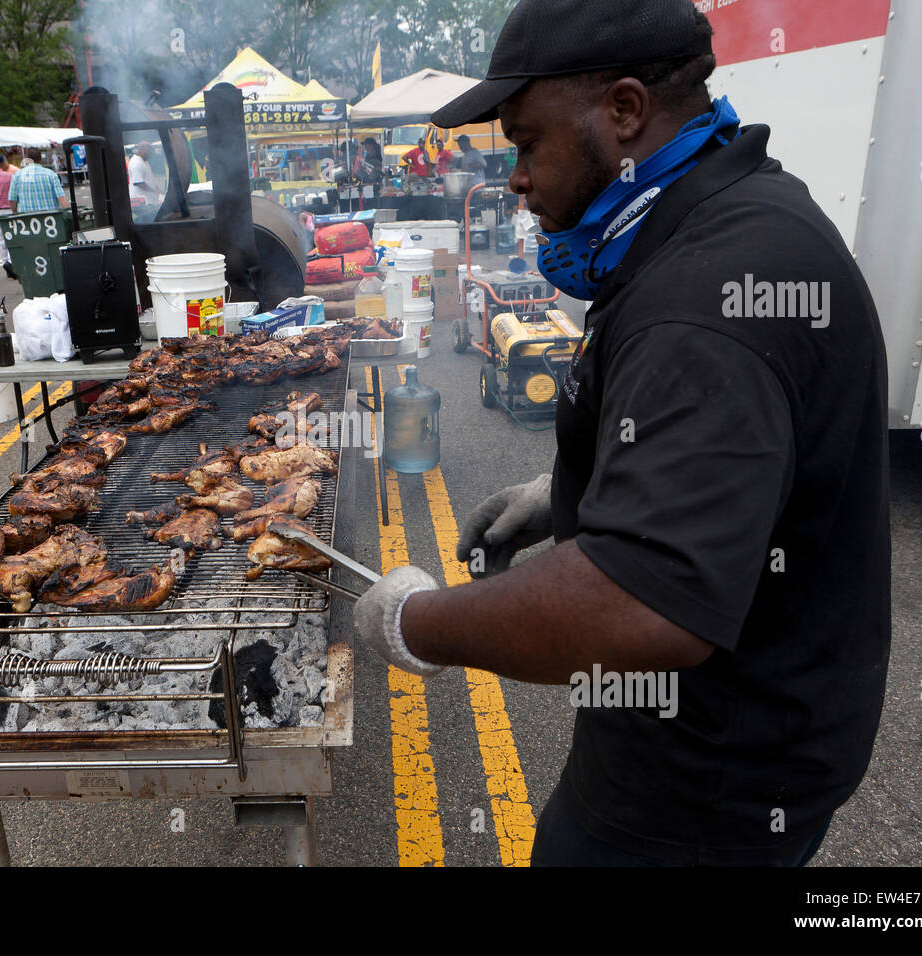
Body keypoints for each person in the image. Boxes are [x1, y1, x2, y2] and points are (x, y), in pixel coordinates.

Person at [353, 0, 890, 868]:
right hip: (763, 744)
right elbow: (737, 460)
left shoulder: (707, 293)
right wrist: (578, 491)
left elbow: (643, 603)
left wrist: (420, 621)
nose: (517, 179)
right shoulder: (736, 214)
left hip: (699, 793)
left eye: (527, 144)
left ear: (627, 111)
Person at [8, 147, 68, 214]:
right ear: (40, 159)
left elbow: (12, 200)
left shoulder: (17, 176)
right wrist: (68, 214)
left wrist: (15, 213)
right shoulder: (51, 174)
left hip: (25, 218)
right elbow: (61, 197)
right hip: (51, 217)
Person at [128, 141, 159, 206]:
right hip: (141, 202)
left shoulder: (143, 161)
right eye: (149, 151)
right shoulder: (136, 163)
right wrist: (153, 190)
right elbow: (138, 182)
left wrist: (156, 188)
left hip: (148, 201)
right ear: (142, 149)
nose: (150, 153)